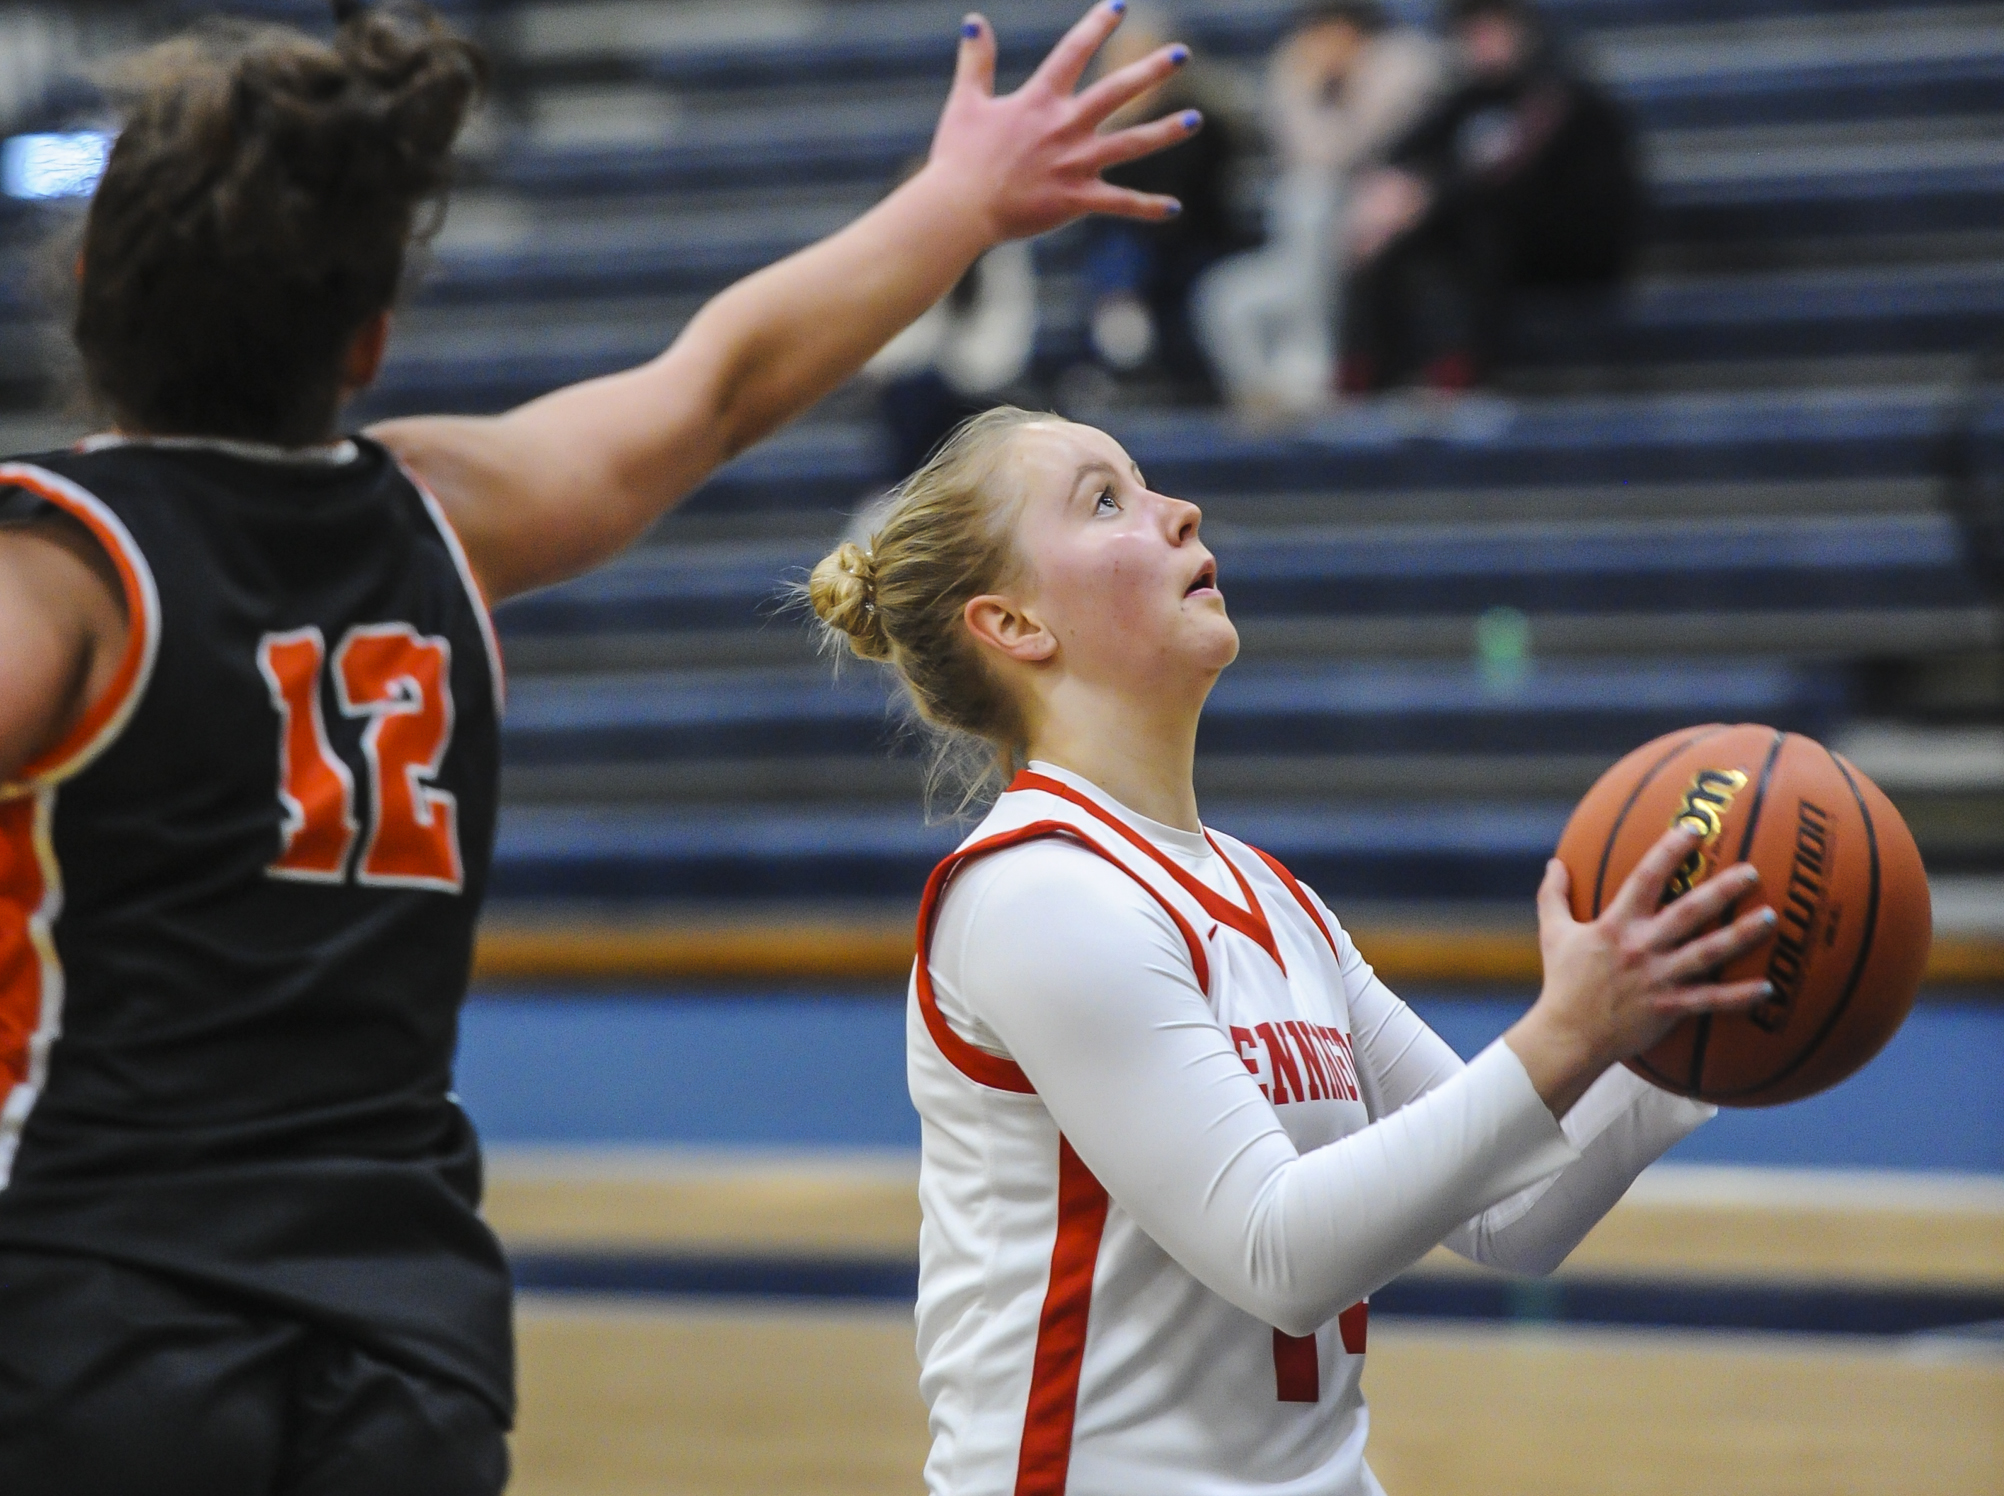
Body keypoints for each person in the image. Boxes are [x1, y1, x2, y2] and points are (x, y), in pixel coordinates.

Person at [0, 3, 1197, 1491]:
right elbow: (723, 382)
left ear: (93, 283)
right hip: (397, 1337)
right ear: (369, 341)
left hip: (96, 1310)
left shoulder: (55, 580)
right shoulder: (446, 509)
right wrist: (959, 200)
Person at [807, 406, 1779, 1495]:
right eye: (1106, 499)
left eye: (1148, 479)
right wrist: (1568, 1029)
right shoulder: (1036, 891)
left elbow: (1510, 1212)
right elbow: (1279, 1250)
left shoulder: (1274, 898)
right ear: (1015, 622)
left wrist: (1695, 1016)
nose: (1181, 511)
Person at [1340, 0, 1641, 393]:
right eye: (1472, 32)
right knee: (1389, 234)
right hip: (1494, 234)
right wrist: (1389, 191)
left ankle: (1460, 368)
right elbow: (1407, 150)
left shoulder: (1555, 94)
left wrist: (1420, 201)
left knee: (1469, 224)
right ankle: (1362, 369)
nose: (1481, 43)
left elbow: (1507, 175)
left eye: (1491, 29)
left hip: (1576, 242)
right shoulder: (1467, 97)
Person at [1193, 1, 1444, 421]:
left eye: (1334, 29)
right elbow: (1305, 154)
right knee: (1222, 297)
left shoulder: (1403, 62)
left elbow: (1343, 151)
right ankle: (1265, 397)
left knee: (1310, 197)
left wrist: (1322, 86)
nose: (1324, 42)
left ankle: (1313, 371)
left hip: (1400, 230)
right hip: (1307, 247)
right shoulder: (1296, 66)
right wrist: (1306, 84)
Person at [1068, 5, 1255, 406]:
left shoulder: (1198, 120)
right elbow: (1089, 198)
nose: (1134, 77)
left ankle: (1121, 324)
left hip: (1192, 250)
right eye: (1123, 64)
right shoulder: (1095, 132)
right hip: (1137, 254)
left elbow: (1177, 194)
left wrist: (1128, 132)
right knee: (1116, 237)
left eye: (1143, 62)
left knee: (1127, 236)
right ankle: (1120, 323)